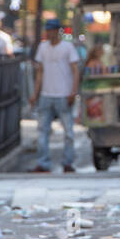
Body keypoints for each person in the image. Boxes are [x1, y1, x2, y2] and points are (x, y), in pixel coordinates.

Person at [31, 17, 80, 173]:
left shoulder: (68, 47)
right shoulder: (42, 47)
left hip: (63, 94)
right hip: (46, 94)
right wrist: (35, 94)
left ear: (57, 31)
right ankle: (43, 162)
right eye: (48, 30)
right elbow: (40, 72)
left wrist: (73, 91)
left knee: (69, 132)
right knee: (42, 131)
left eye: (52, 30)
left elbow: (75, 70)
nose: (49, 33)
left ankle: (67, 162)